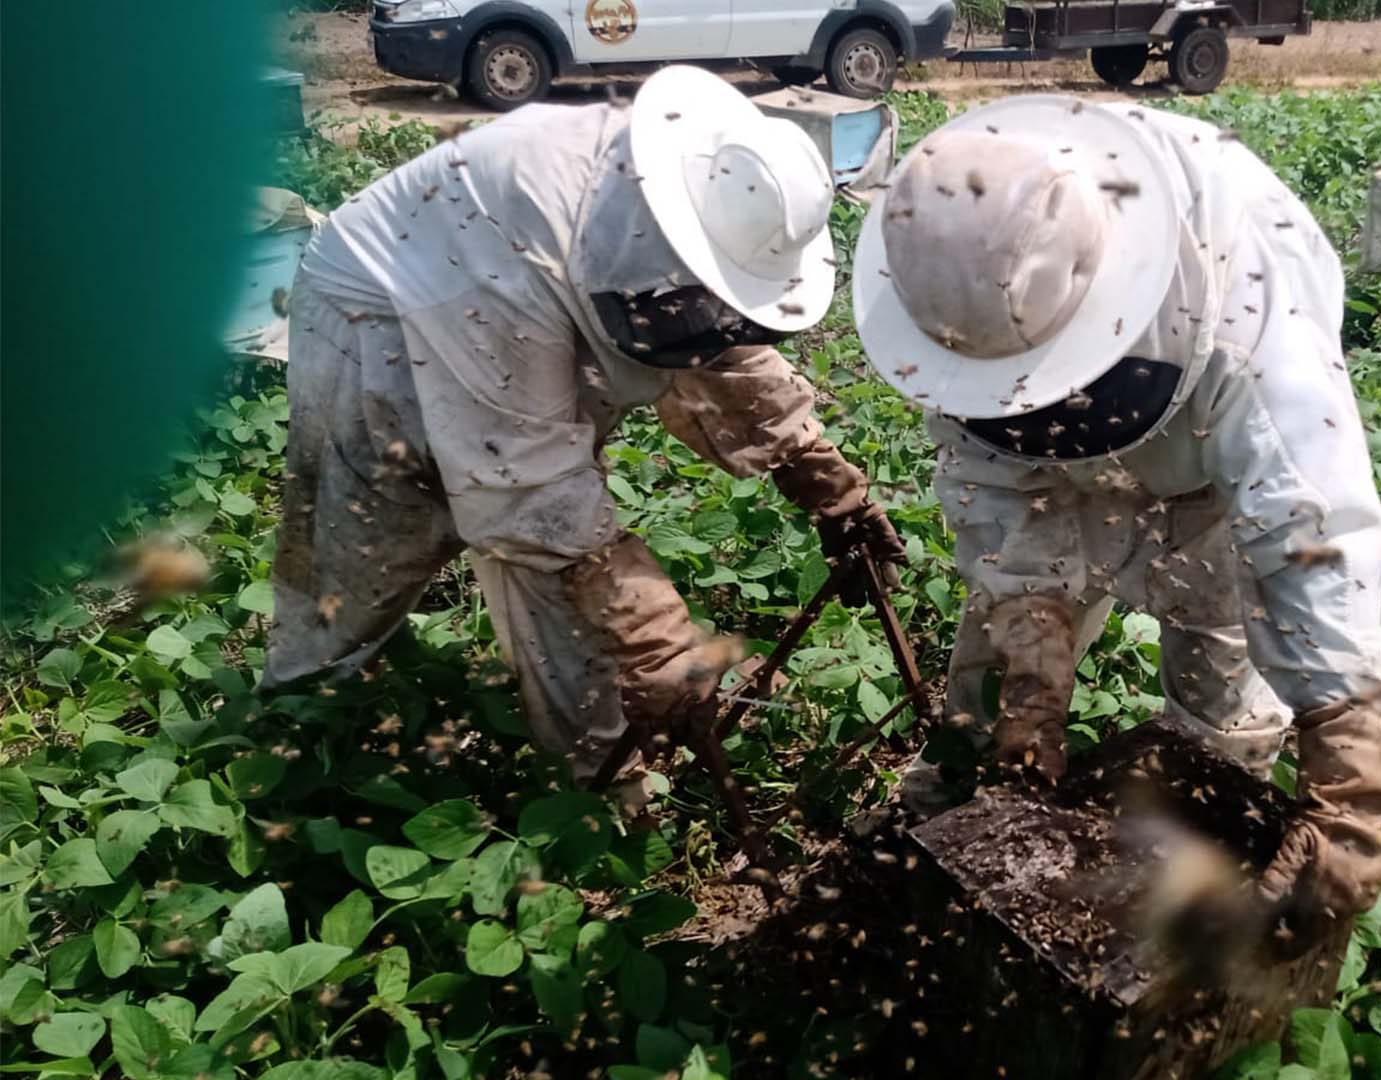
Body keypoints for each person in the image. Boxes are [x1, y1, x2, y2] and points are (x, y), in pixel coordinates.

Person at [852, 95, 1381, 938]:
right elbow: (994, 485)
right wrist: (1034, 679)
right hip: (1047, 462)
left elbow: (1307, 523)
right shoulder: (950, 271)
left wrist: (1349, 774)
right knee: (998, 668)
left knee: (1221, 692)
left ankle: (1206, 837)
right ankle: (946, 802)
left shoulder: (1249, 303)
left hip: (1202, 482)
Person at [267, 66, 905, 788]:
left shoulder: (705, 196)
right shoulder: (522, 249)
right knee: (372, 542)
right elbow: (530, 487)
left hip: (514, 291)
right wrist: (650, 632)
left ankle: (597, 776)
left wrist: (827, 481)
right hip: (385, 311)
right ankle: (299, 729)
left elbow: (721, 350)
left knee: (559, 553)